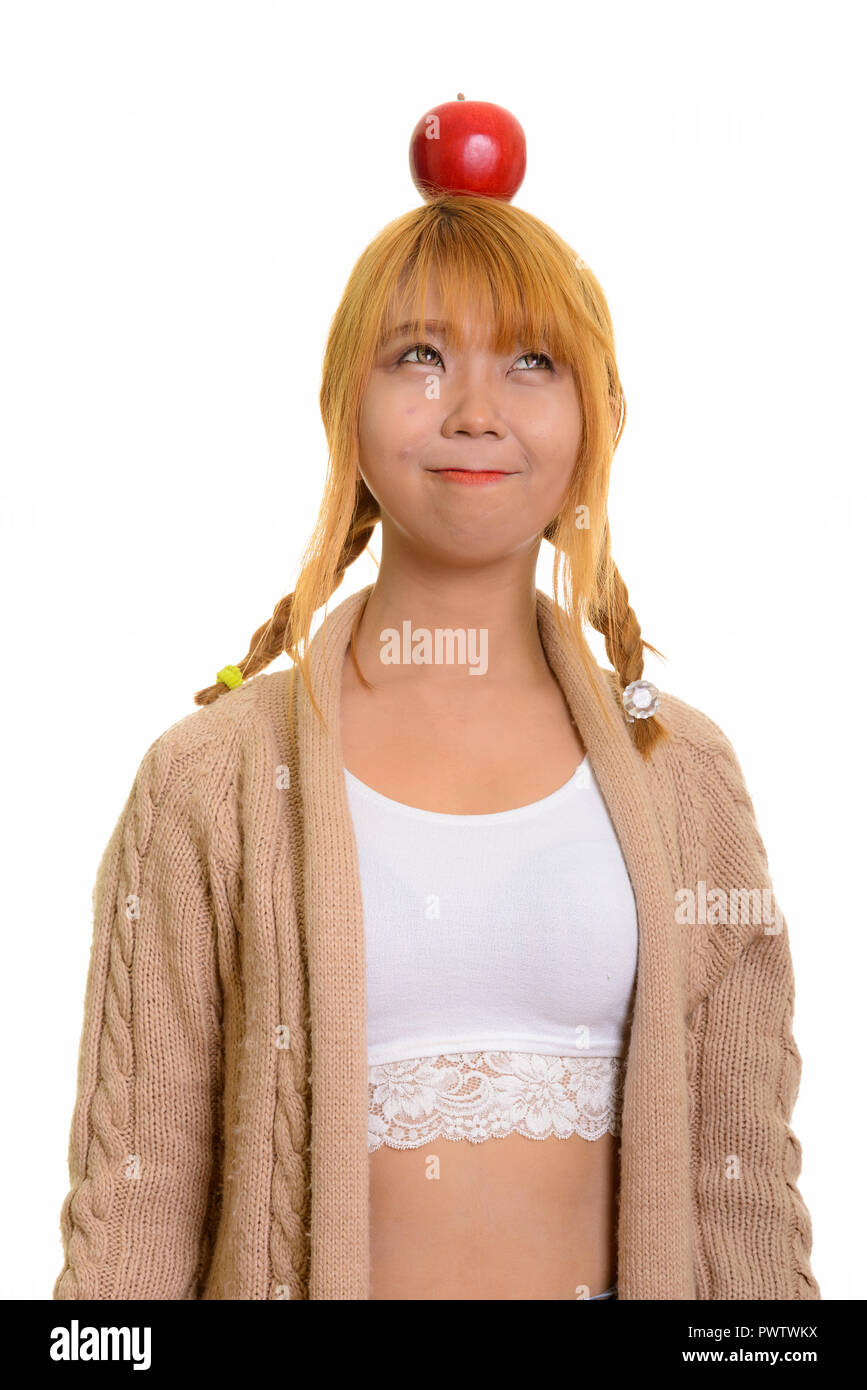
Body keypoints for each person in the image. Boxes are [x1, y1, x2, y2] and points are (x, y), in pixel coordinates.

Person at [53, 192, 820, 1300]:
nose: (472, 410)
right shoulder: (209, 782)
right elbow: (138, 1207)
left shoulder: (684, 776)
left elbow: (744, 1195)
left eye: (532, 361)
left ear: (599, 416)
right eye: (419, 354)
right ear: (342, 409)